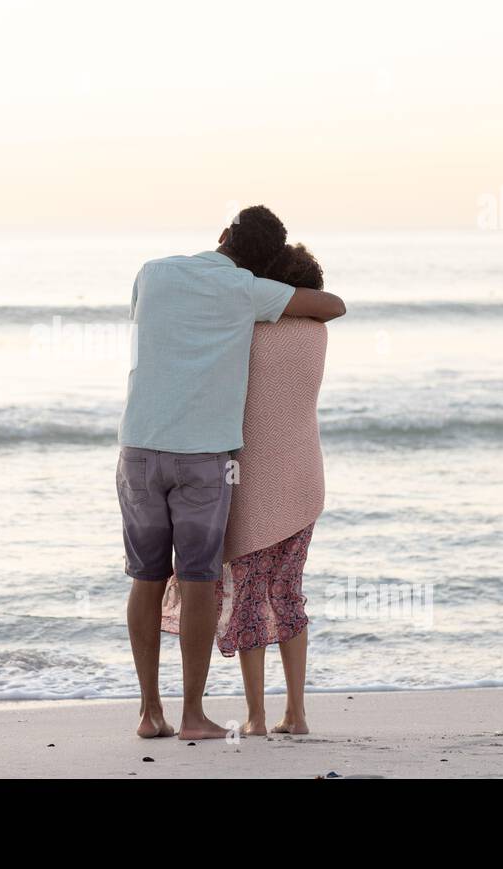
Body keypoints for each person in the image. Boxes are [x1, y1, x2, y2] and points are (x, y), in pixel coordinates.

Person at [116, 207, 345, 740]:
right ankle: (194, 715)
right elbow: (331, 306)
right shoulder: (249, 290)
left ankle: (151, 713)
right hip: (203, 456)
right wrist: (265, 290)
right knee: (199, 580)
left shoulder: (152, 272)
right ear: (262, 265)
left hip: (139, 449)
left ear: (223, 236)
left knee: (146, 577)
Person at [161, 242, 330, 736]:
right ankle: (296, 713)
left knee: (251, 597)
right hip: (304, 478)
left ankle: (257, 716)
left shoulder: (249, 331)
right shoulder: (318, 333)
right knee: (288, 593)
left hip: (253, 481)